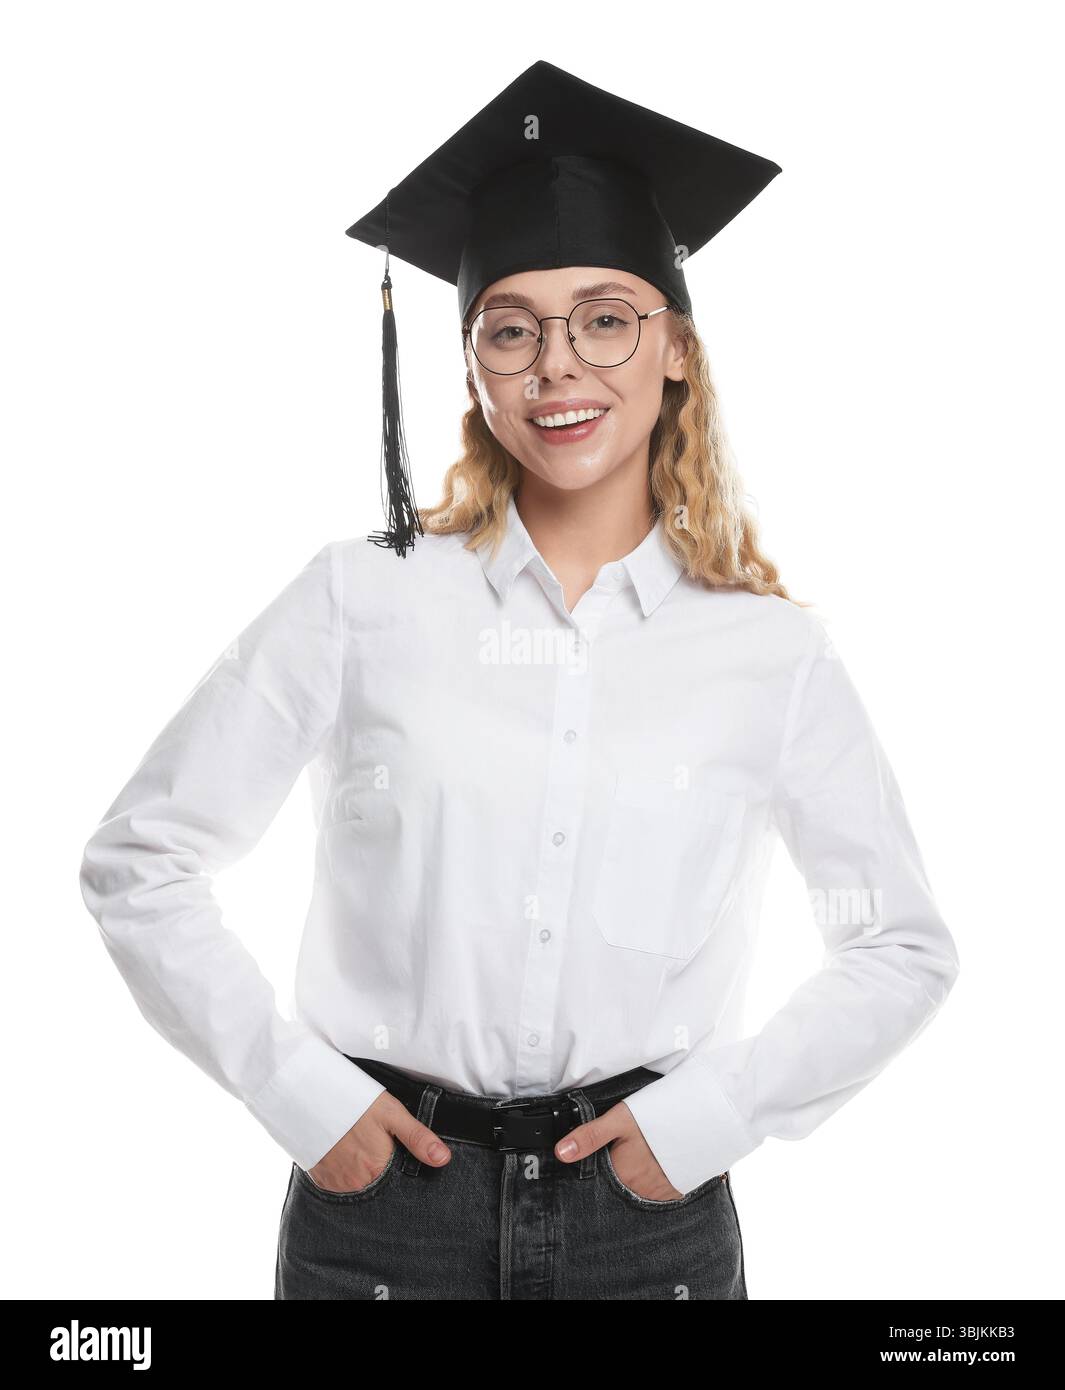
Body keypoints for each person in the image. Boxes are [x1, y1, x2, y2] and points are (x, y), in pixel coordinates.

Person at [79, 61, 960, 1301]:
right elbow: (141, 859)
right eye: (512, 327)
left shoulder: (769, 654)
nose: (559, 365)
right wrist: (299, 1092)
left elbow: (899, 944)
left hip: (645, 1229)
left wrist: (706, 1122)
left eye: (606, 317)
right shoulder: (359, 597)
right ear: (474, 366)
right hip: (383, 1218)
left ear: (676, 355)